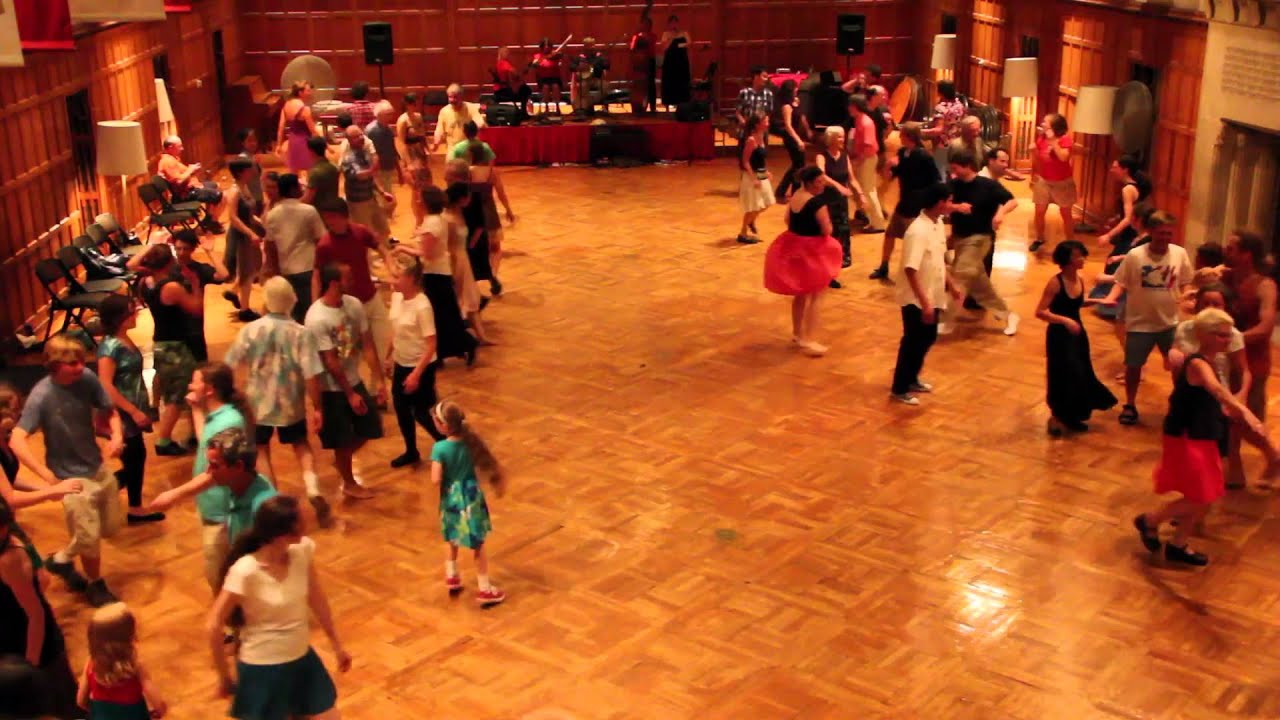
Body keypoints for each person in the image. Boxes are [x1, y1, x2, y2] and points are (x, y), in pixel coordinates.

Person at [1133, 309, 1264, 566]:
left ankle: (1178, 544)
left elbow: (1212, 396)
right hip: (1188, 437)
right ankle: (1149, 521)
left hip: (1203, 433)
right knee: (1202, 495)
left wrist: (1226, 411)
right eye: (1221, 335)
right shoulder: (1197, 363)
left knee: (1204, 493)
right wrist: (1246, 413)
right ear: (1204, 335)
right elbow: (1215, 389)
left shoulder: (1210, 360)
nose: (1227, 341)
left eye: (1229, 336)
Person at [209, 495, 350, 720]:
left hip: (301, 657)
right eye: (303, 520)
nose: (309, 519)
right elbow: (213, 624)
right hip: (263, 669)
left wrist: (337, 645)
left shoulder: (302, 551)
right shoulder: (245, 571)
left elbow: (317, 598)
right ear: (284, 534)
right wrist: (224, 676)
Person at [8, 336, 123, 606]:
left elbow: (110, 410)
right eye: (72, 363)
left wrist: (116, 435)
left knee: (111, 527)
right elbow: (16, 438)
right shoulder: (41, 395)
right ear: (54, 365)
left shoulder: (88, 380)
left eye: (82, 360)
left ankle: (60, 560)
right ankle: (96, 584)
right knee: (89, 536)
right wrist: (47, 478)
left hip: (97, 466)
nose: (81, 367)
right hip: (70, 477)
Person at [223, 276, 327, 521]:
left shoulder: (251, 329)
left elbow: (230, 363)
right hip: (291, 402)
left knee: (261, 449)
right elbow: (311, 374)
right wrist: (318, 407)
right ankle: (312, 488)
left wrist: (233, 393)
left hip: (257, 403)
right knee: (301, 445)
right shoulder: (301, 333)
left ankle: (272, 499)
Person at [1099, 210, 1193, 425]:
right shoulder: (1135, 255)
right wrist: (1111, 298)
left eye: (1169, 234)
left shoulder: (1180, 254)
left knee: (1177, 366)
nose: (1165, 238)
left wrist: (1187, 297)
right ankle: (1130, 404)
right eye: (1161, 233)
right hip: (1140, 323)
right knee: (1133, 366)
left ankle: (1178, 405)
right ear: (1151, 232)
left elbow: (1186, 281)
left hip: (1170, 322)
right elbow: (1121, 281)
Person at [131, 237, 222, 455]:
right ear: (169, 263)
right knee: (177, 394)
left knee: (172, 389)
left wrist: (151, 246)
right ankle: (164, 441)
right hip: (175, 346)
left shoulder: (146, 282)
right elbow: (196, 309)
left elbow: (132, 265)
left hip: (160, 342)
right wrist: (197, 286)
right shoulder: (171, 287)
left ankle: (188, 432)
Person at [306, 262, 386, 500]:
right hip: (331, 389)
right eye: (348, 278)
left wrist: (379, 381)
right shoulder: (317, 318)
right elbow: (330, 361)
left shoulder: (354, 305)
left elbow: (367, 344)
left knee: (371, 426)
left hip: (352, 378)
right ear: (334, 284)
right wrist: (350, 393)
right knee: (342, 439)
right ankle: (349, 482)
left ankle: (342, 462)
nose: (352, 281)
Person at [0, 500, 78, 719]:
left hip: (31, 645)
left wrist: (30, 663)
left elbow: (35, 614)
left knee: (63, 707)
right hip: (9, 640)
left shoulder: (10, 560)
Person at [1036, 241, 1117, 435]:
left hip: (1077, 334)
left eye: (1081, 255)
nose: (1082, 259)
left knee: (1081, 371)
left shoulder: (1079, 279)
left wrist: (1100, 301)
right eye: (1076, 256)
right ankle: (1057, 416)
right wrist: (1065, 321)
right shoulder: (1055, 282)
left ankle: (1072, 416)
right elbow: (1040, 312)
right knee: (1063, 373)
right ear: (1067, 260)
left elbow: (1077, 303)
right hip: (1059, 336)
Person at [762, 166, 844, 356]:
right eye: (819, 182)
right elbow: (827, 230)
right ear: (809, 183)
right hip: (813, 251)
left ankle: (798, 334)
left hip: (794, 246)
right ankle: (809, 339)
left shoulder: (796, 196)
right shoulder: (817, 203)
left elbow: (787, 220)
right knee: (816, 293)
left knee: (801, 293)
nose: (822, 184)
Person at [890, 183, 960, 406]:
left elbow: (938, 259)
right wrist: (925, 303)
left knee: (927, 338)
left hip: (933, 294)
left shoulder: (937, 224)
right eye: (949, 201)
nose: (950, 205)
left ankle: (912, 378)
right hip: (916, 299)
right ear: (939, 202)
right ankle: (899, 388)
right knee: (912, 341)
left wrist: (951, 284)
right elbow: (910, 269)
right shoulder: (917, 231)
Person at [431, 401, 506, 605]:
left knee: (451, 536)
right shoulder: (471, 443)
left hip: (451, 499)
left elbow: (435, 479)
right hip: (471, 498)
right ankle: (484, 588)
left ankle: (452, 576)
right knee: (477, 543)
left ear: (443, 426)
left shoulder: (439, 448)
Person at [95, 296, 161, 525]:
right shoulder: (110, 347)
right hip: (121, 412)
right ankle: (106, 496)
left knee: (135, 458)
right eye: (132, 312)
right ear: (121, 319)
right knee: (134, 457)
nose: (137, 315)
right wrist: (132, 411)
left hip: (131, 408)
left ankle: (131, 505)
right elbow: (105, 384)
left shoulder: (124, 340)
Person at [944, 146, 1020, 336]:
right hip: (960, 238)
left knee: (960, 275)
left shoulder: (987, 185)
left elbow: (1012, 201)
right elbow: (943, 205)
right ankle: (1008, 315)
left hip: (980, 237)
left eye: (956, 168)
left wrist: (1000, 214)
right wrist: (955, 207)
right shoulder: (955, 185)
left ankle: (946, 320)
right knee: (979, 284)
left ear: (968, 166)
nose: (954, 172)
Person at [1223, 230, 1278, 488]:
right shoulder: (1227, 277)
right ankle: (1234, 469)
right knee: (1228, 416)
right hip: (1227, 360)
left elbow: (1266, 328)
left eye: (1231, 248)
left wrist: (1232, 342)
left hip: (1253, 364)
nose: (1226, 251)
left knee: (1247, 421)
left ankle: (1274, 457)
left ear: (1246, 254)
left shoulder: (1265, 286)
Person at [403, 186, 478, 366]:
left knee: (442, 316)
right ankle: (445, 352)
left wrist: (402, 249)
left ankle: (465, 344)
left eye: (420, 198)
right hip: (439, 272)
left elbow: (426, 253)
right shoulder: (438, 219)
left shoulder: (432, 224)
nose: (417, 200)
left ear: (427, 202)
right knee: (443, 315)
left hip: (435, 274)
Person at [313, 199, 394, 366]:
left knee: (385, 347)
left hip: (370, 298)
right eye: (327, 218)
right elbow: (317, 276)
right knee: (348, 356)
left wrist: (391, 266)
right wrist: (315, 305)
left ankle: (378, 388)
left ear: (345, 216)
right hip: (346, 308)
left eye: (333, 217)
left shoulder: (360, 232)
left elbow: (382, 249)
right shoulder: (324, 245)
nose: (330, 222)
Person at [387, 254, 443, 468]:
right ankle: (411, 450)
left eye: (397, 277)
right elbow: (395, 330)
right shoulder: (396, 298)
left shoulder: (422, 306)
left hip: (421, 366)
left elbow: (431, 345)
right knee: (401, 408)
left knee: (421, 411)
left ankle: (445, 443)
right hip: (402, 362)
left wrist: (416, 375)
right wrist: (388, 356)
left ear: (411, 278)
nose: (393, 281)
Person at [871, 123, 939, 281]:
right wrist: (888, 166)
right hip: (905, 201)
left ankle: (917, 272)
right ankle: (884, 266)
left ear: (909, 136)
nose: (899, 137)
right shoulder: (903, 152)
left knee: (914, 240)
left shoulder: (924, 156)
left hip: (917, 205)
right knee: (890, 234)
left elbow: (935, 180)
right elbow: (890, 177)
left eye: (902, 135)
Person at [76, 602, 166, 719]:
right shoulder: (135, 666)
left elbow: (80, 701)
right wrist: (159, 710)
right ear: (129, 636)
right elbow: (157, 702)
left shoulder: (91, 665)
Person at [1, 386, 82, 510]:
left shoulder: (5, 438)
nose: (20, 414)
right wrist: (52, 491)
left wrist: (44, 490)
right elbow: (11, 499)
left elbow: (8, 478)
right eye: (15, 410)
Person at [263, 173, 326, 324]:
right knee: (312, 313)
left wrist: (275, 271)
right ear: (293, 189)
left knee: (291, 315)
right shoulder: (309, 211)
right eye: (298, 186)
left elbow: (270, 246)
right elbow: (321, 240)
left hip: (285, 270)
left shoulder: (272, 215)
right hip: (309, 268)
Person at [463, 135, 515, 296]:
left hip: (472, 212)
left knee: (472, 246)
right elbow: (501, 193)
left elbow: (462, 194)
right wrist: (508, 210)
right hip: (489, 211)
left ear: (472, 156)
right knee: (495, 247)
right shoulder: (492, 172)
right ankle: (493, 274)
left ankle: (471, 280)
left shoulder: (468, 172)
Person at [444, 183, 493, 344]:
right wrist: (454, 272)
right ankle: (469, 338)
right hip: (457, 262)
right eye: (468, 195)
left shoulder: (459, 212)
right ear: (461, 199)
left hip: (463, 259)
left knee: (471, 299)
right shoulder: (449, 219)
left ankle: (481, 337)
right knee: (463, 300)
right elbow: (450, 249)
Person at [814, 126, 863, 285]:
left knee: (843, 228)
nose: (843, 140)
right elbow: (822, 176)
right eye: (840, 137)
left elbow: (852, 178)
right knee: (829, 232)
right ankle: (825, 266)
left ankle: (843, 257)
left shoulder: (844, 156)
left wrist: (860, 195)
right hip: (827, 199)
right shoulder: (821, 157)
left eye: (843, 137)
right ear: (831, 139)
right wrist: (839, 186)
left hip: (841, 200)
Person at [222, 157, 265, 315]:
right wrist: (251, 233)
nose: (253, 171)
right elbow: (233, 217)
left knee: (252, 267)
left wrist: (261, 223)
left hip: (248, 232)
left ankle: (234, 292)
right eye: (250, 169)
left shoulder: (244, 187)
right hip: (240, 235)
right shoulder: (234, 191)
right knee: (247, 270)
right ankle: (245, 309)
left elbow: (249, 214)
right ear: (242, 172)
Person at [339, 126, 395, 246]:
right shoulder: (348, 159)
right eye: (356, 137)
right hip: (358, 203)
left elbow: (371, 177)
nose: (361, 138)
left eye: (361, 135)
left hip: (371, 197)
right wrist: (373, 169)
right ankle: (369, 261)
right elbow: (360, 175)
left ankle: (385, 257)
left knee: (383, 228)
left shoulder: (365, 153)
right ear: (349, 140)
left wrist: (381, 192)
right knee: (365, 233)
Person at [1029, 113, 1077, 253]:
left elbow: (1063, 158)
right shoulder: (1041, 138)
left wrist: (1053, 141)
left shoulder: (1065, 140)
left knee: (1065, 213)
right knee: (1039, 211)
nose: (1042, 124)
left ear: (1054, 127)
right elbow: (1039, 161)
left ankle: (1071, 243)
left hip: (1062, 183)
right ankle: (1039, 238)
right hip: (1044, 180)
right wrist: (1033, 152)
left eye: (1045, 122)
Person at [157, 136, 223, 232]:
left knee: (214, 185)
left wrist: (191, 170)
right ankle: (212, 221)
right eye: (179, 146)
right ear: (171, 147)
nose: (182, 149)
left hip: (191, 187)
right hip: (185, 194)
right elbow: (178, 181)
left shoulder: (173, 158)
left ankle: (208, 219)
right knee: (218, 195)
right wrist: (190, 170)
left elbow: (181, 175)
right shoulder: (167, 162)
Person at [848, 94, 887, 233]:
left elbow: (868, 145)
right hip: (865, 159)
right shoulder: (860, 120)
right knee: (866, 190)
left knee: (868, 191)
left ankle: (877, 223)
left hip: (867, 159)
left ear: (854, 106)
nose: (848, 108)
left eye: (850, 105)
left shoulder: (865, 122)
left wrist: (859, 160)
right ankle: (870, 218)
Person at [1097, 155, 1152, 251]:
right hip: (1132, 232)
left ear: (1125, 170)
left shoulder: (1128, 189)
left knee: (1115, 263)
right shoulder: (1134, 186)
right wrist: (1117, 217)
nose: (1111, 170)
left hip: (1129, 234)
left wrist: (1108, 236)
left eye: (1115, 167)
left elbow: (1128, 218)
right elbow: (1134, 208)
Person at [735, 112, 774, 245]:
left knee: (768, 201)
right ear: (758, 124)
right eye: (766, 120)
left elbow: (760, 159)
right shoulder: (751, 140)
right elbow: (745, 161)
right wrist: (754, 179)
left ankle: (751, 220)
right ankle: (743, 232)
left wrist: (766, 172)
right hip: (752, 176)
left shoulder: (762, 136)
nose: (768, 122)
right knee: (753, 206)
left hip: (760, 174)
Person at [771, 79, 810, 202]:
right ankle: (786, 191)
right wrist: (798, 140)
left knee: (798, 165)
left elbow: (802, 116)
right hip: (791, 137)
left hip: (796, 136)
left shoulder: (796, 102)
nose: (797, 89)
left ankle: (790, 191)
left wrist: (807, 130)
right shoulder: (786, 107)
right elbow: (788, 126)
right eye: (795, 88)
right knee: (798, 165)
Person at [365, 101, 400, 220]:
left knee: (387, 202)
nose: (391, 117)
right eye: (388, 114)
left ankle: (384, 224)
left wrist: (399, 170)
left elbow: (392, 149)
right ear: (379, 115)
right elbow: (369, 154)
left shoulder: (388, 130)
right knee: (387, 201)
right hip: (379, 171)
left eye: (391, 114)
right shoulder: (372, 131)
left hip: (388, 169)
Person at [925, 81, 967, 178]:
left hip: (943, 145)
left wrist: (920, 132)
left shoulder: (941, 108)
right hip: (958, 144)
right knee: (954, 173)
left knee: (941, 175)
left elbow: (939, 130)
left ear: (941, 92)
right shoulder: (960, 105)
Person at [278, 80, 319, 175]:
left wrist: (279, 144)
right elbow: (313, 131)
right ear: (300, 93)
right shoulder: (305, 109)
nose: (310, 93)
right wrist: (325, 145)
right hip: (305, 141)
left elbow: (281, 127)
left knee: (293, 173)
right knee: (311, 172)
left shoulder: (286, 105)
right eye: (308, 91)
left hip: (292, 141)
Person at [433, 84, 485, 152]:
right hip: (452, 150)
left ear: (461, 97)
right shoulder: (444, 111)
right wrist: (436, 142)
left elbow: (480, 123)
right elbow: (439, 130)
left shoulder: (472, 108)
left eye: (455, 97)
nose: (452, 100)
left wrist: (479, 125)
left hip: (469, 148)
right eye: (450, 97)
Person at [629, 8, 659, 114]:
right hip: (639, 64)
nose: (645, 26)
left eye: (647, 24)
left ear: (650, 26)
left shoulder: (653, 36)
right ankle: (638, 106)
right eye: (643, 24)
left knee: (651, 84)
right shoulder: (636, 36)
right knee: (638, 85)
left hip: (649, 61)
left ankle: (653, 106)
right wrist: (636, 37)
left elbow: (650, 43)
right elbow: (632, 48)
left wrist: (643, 36)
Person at [569, 38, 609, 115]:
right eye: (587, 46)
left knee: (605, 86)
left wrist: (595, 65)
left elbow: (607, 66)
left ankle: (591, 102)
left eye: (591, 46)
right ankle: (583, 108)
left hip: (597, 79)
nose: (589, 48)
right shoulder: (580, 57)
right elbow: (571, 67)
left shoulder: (599, 56)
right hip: (585, 80)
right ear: (584, 47)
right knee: (582, 86)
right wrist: (579, 67)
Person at [659, 15, 692, 108]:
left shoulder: (684, 33)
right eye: (672, 23)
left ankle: (681, 106)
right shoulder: (665, 34)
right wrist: (672, 38)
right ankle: (667, 107)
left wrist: (678, 45)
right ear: (669, 24)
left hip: (681, 61)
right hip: (670, 62)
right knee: (669, 82)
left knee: (681, 82)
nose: (674, 25)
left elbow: (689, 44)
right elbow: (664, 47)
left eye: (675, 22)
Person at [533, 36, 571, 108]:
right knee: (546, 87)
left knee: (556, 87)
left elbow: (564, 57)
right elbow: (534, 64)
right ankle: (546, 108)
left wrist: (557, 55)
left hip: (555, 78)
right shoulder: (538, 56)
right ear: (542, 47)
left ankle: (557, 107)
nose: (546, 47)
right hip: (543, 79)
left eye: (548, 45)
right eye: (545, 45)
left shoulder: (555, 55)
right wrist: (537, 62)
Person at [302, 136, 339, 208]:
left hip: (320, 210)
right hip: (333, 206)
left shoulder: (315, 172)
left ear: (311, 151)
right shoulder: (334, 166)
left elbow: (307, 200)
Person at [494, 46, 532, 112]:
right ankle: (523, 113)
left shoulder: (503, 63)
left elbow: (515, 75)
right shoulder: (503, 63)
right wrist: (524, 71)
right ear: (501, 54)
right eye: (506, 52)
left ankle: (523, 112)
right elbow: (515, 73)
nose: (508, 54)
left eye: (508, 52)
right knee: (525, 90)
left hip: (504, 88)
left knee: (524, 89)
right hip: (504, 90)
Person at [236, 127, 265, 211]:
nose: (254, 143)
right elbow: (241, 184)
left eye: (255, 140)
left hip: (258, 197)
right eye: (249, 141)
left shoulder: (254, 157)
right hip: (250, 201)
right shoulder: (242, 159)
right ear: (243, 143)